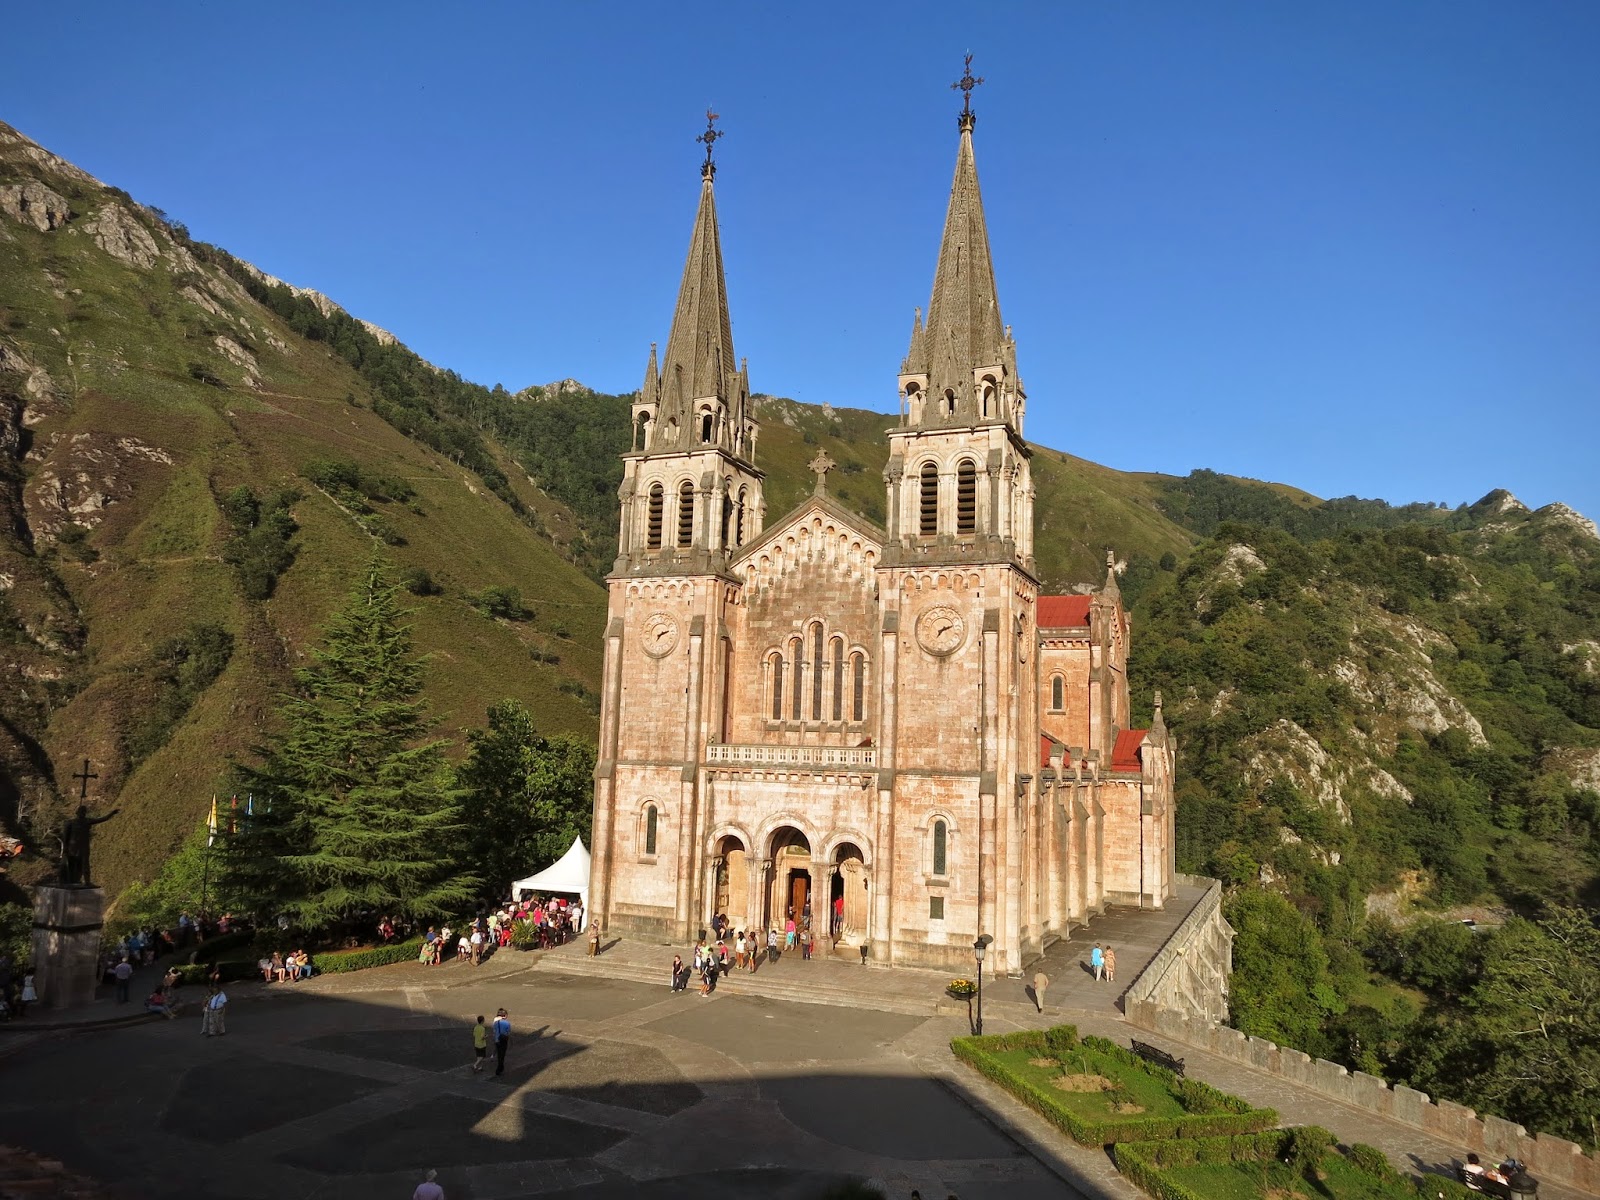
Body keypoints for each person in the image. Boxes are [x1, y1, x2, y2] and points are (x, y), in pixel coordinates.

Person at [492, 1008, 510, 1076]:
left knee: (499, 1054)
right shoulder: (507, 1023)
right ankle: (500, 1067)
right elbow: (508, 1032)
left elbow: (494, 1030)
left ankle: (501, 1067)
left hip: (497, 1040)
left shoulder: (496, 1023)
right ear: (505, 1016)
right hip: (504, 1040)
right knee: (503, 1054)